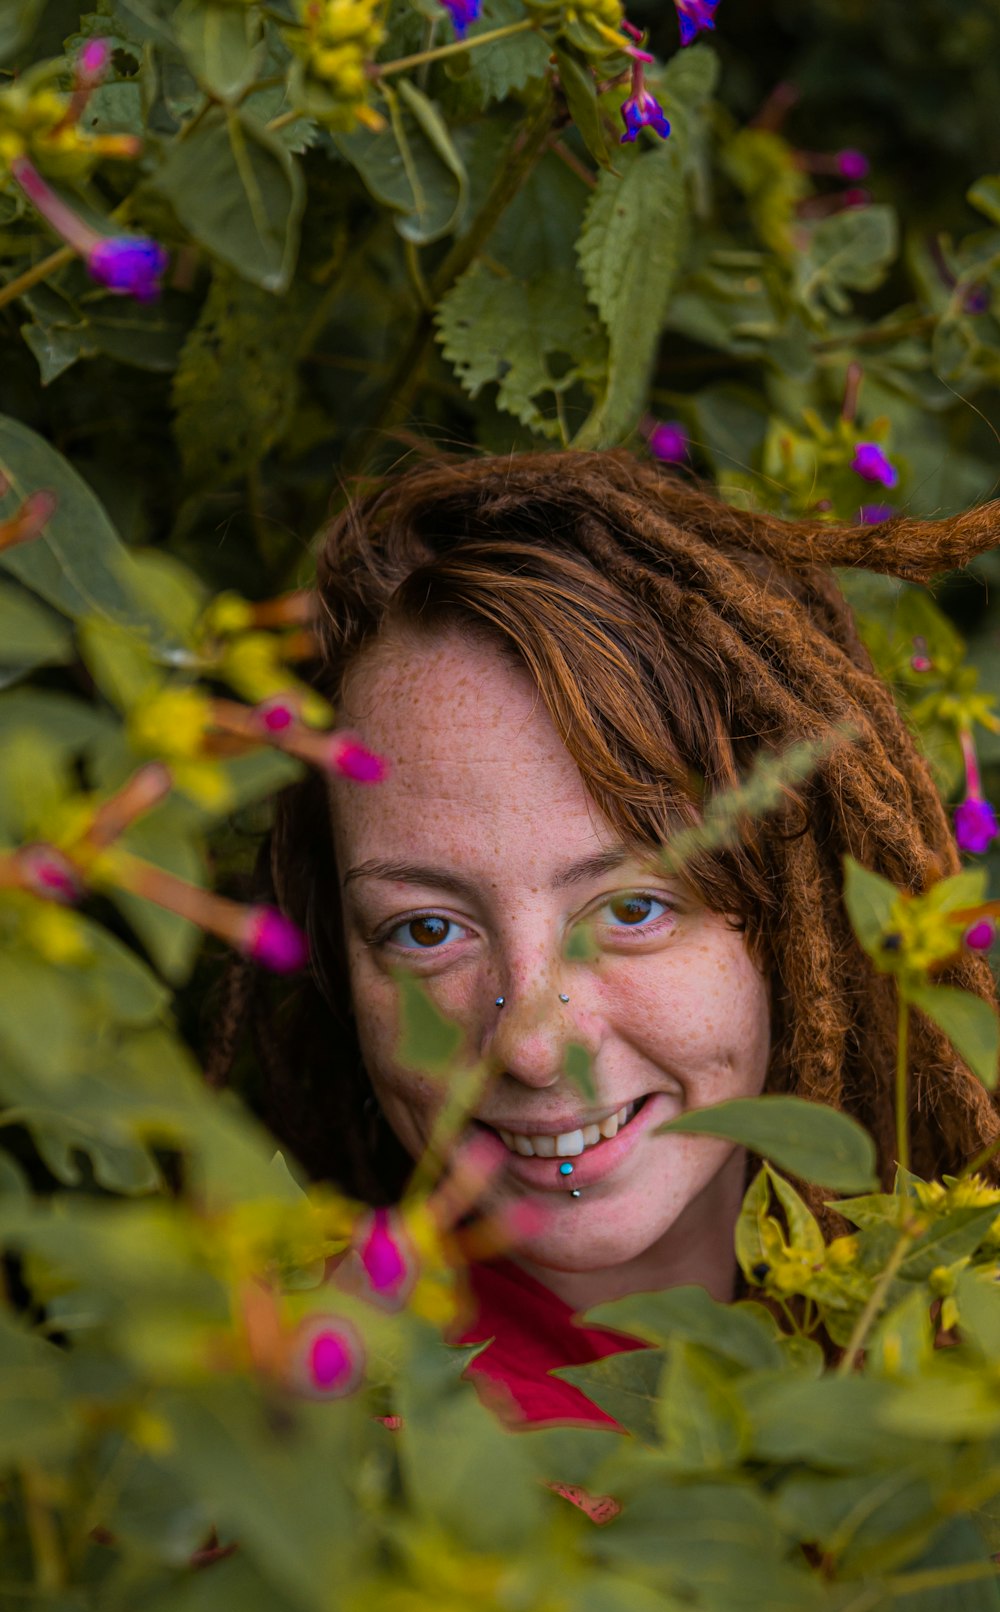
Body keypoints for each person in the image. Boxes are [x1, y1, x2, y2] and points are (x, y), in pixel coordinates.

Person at [208, 448, 1000, 1424]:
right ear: (338, 953)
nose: (534, 1045)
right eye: (425, 929)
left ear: (804, 916)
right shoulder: (289, 1444)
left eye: (632, 908)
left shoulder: (963, 1352)